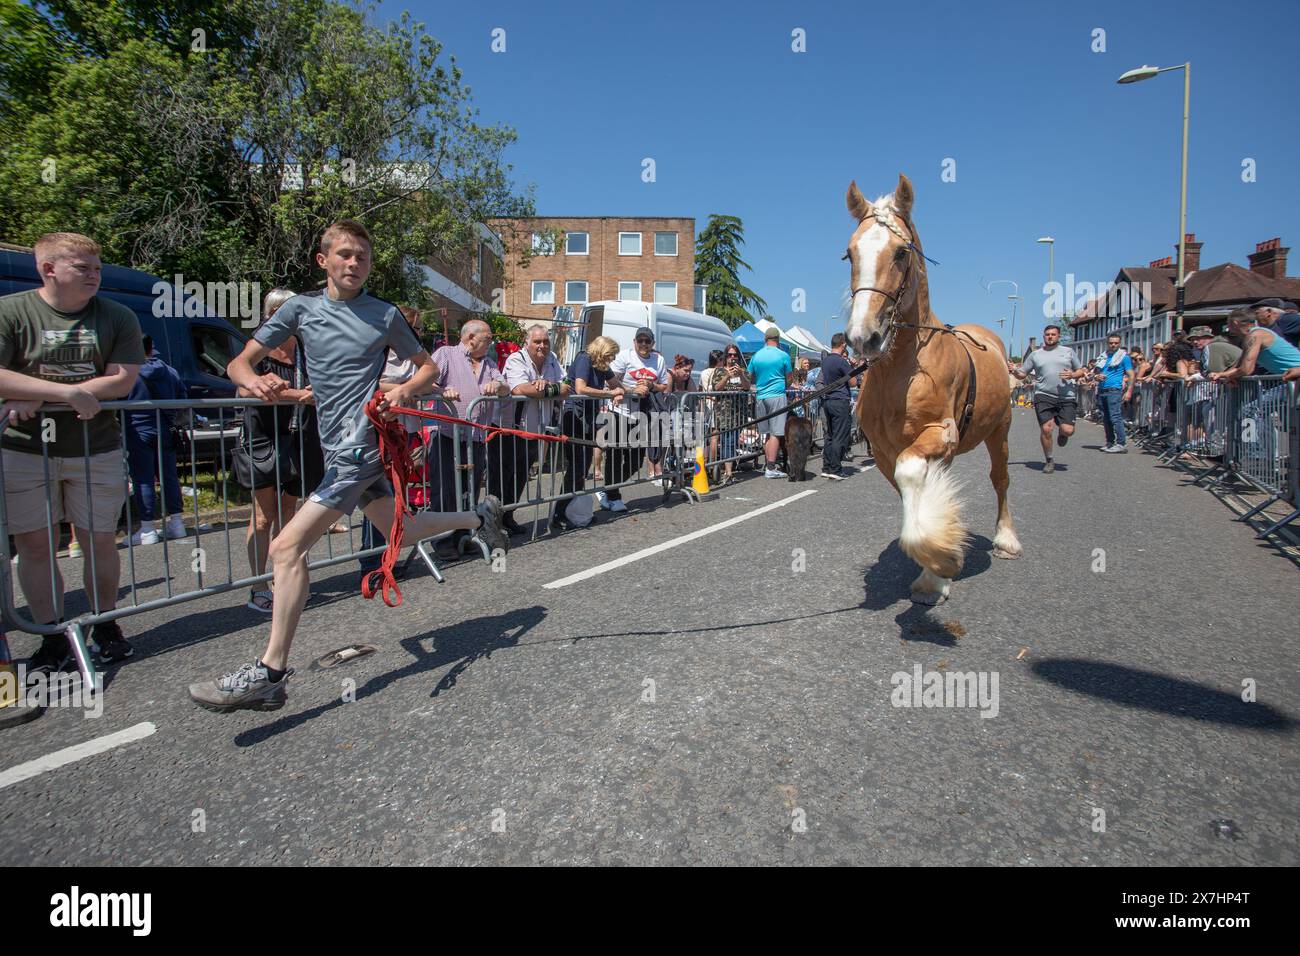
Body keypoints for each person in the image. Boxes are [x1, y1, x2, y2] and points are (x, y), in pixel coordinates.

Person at [188, 220, 508, 712]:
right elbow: (238, 363)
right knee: (403, 526)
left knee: (285, 547)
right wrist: (256, 382)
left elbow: (425, 367)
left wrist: (402, 389)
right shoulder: (300, 309)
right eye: (344, 255)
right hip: (333, 441)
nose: (354, 263)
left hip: (361, 444)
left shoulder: (383, 314)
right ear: (324, 261)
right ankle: (477, 518)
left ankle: (270, 672)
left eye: (362, 256)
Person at [0, 232, 145, 670]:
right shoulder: (12, 312)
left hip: (95, 448)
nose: (94, 276)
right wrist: (68, 395)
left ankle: (105, 624)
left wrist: (36, 394)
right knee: (35, 546)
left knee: (100, 542)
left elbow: (121, 380)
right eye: (83, 268)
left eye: (97, 268)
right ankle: (52, 633)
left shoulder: (116, 315)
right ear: (49, 269)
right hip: (24, 450)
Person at [233, 288, 324, 613]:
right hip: (262, 437)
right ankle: (258, 586)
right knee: (262, 517)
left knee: (290, 514)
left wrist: (311, 391)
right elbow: (242, 386)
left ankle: (288, 579)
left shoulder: (306, 349)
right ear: (271, 315)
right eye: (286, 313)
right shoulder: (258, 348)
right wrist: (289, 392)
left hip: (299, 434)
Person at [359, 303, 425, 575]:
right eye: (416, 328)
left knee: (399, 496)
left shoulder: (413, 356)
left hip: (405, 432)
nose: (419, 333)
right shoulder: (379, 353)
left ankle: (391, 554)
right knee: (379, 497)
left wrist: (410, 388)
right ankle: (372, 561)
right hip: (379, 433)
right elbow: (369, 384)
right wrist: (405, 389)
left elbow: (431, 380)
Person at [428, 320, 508, 526]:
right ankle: (443, 541)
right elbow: (426, 382)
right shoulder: (446, 354)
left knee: (470, 489)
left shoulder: (489, 363)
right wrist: (442, 392)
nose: (491, 342)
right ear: (471, 337)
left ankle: (465, 534)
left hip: (476, 437)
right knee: (445, 489)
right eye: (487, 338)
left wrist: (497, 385)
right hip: (447, 435)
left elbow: (505, 387)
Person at [498, 324, 569, 534]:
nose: (542, 346)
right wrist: (550, 388)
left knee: (521, 475)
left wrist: (546, 386)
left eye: (545, 341)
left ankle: (508, 516)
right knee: (504, 476)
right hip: (511, 427)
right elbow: (521, 388)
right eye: (537, 341)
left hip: (536, 428)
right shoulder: (516, 359)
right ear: (527, 343)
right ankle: (494, 523)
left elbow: (566, 385)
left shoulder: (552, 359)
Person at [554, 336, 622, 531]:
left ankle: (572, 511)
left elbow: (616, 384)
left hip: (588, 418)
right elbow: (580, 387)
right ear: (601, 352)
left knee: (583, 467)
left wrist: (633, 389)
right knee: (576, 466)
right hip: (574, 416)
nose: (611, 360)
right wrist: (611, 393)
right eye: (610, 356)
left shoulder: (602, 365)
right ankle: (559, 512)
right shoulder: (585, 358)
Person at [125, 334, 187, 545]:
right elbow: (182, 399)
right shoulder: (170, 371)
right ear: (152, 349)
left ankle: (148, 529)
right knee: (169, 476)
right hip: (167, 429)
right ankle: (177, 524)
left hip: (137, 430)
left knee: (143, 478)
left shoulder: (127, 373)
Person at [599, 327, 669, 511]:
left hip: (642, 414)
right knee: (615, 456)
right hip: (619, 411)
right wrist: (629, 391)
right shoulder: (625, 356)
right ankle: (614, 497)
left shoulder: (658, 360)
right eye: (640, 341)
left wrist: (651, 385)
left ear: (653, 343)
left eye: (647, 341)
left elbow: (664, 386)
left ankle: (607, 489)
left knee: (636, 461)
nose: (644, 344)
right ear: (634, 342)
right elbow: (610, 380)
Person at [1008, 324, 1082, 473]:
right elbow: (1023, 374)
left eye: (1053, 334)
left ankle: (1063, 433)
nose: (1050, 337)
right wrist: (1014, 370)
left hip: (1066, 395)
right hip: (1044, 395)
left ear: (1058, 336)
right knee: (1046, 429)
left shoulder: (1068, 352)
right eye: (1047, 334)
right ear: (1044, 336)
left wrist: (1073, 375)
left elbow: (1081, 370)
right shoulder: (1035, 355)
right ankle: (1049, 459)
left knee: (1068, 430)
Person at [747, 327, 793, 478]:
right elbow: (790, 378)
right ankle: (771, 468)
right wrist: (784, 386)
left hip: (760, 396)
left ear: (765, 339)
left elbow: (749, 376)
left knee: (767, 433)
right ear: (778, 339)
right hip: (777, 395)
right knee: (776, 433)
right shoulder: (783, 355)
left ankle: (769, 464)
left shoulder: (756, 356)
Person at [711, 346, 751, 486]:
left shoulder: (743, 371)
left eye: (735, 355)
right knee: (727, 442)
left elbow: (747, 387)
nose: (732, 358)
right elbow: (716, 388)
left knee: (733, 442)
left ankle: (728, 469)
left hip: (739, 414)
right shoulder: (719, 371)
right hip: (724, 414)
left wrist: (740, 375)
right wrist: (727, 376)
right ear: (725, 357)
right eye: (729, 355)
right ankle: (728, 473)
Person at [818, 333, 856, 479]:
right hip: (840, 400)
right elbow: (853, 383)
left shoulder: (826, 361)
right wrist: (851, 368)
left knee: (830, 436)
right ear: (843, 345)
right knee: (840, 436)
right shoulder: (841, 362)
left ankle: (826, 467)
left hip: (827, 401)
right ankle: (835, 469)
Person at [1094, 333, 1135, 452]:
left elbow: (1131, 375)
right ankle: (1110, 442)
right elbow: (1096, 372)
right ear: (1107, 343)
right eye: (1111, 343)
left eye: (1116, 343)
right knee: (1106, 418)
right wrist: (1097, 376)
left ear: (1119, 343)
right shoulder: (1103, 357)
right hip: (1102, 390)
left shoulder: (1124, 357)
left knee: (1115, 417)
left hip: (1114, 390)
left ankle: (1121, 443)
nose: (1113, 345)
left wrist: (1129, 391)